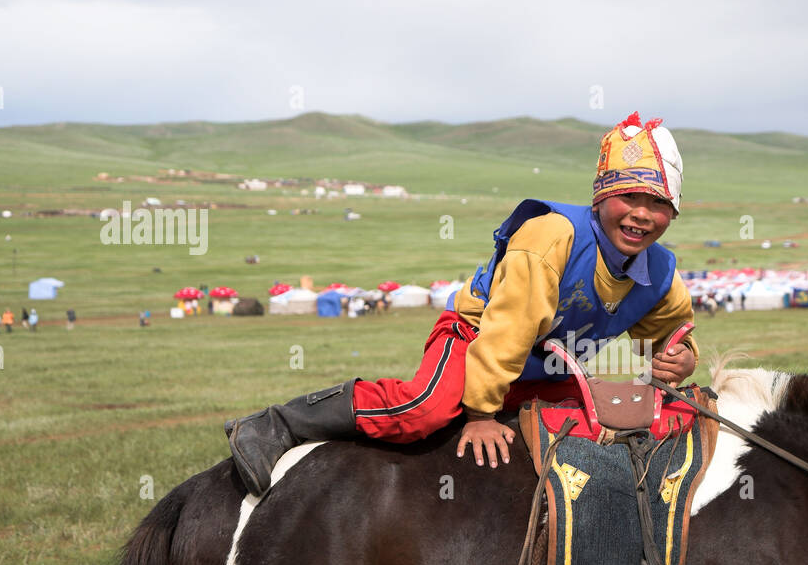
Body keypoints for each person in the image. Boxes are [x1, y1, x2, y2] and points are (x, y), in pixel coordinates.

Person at [226, 112, 699, 497]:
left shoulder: (660, 272)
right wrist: (480, 415)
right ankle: (278, 423)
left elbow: (675, 335)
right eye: (628, 196)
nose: (642, 213)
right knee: (423, 411)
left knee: (604, 424)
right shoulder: (552, 237)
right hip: (477, 339)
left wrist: (680, 359)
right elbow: (509, 331)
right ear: (600, 198)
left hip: (551, 371)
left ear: (672, 214)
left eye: (657, 203)